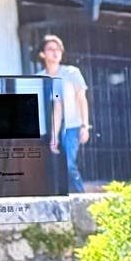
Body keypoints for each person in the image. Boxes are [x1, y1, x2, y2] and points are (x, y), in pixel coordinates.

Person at [39, 34, 89, 193]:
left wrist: (85, 125)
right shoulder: (39, 77)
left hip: (72, 125)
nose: (55, 52)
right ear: (42, 54)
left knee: (68, 164)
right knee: (50, 168)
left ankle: (82, 199)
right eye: (50, 49)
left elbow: (81, 99)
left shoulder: (71, 72)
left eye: (58, 49)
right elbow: (54, 106)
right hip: (46, 128)